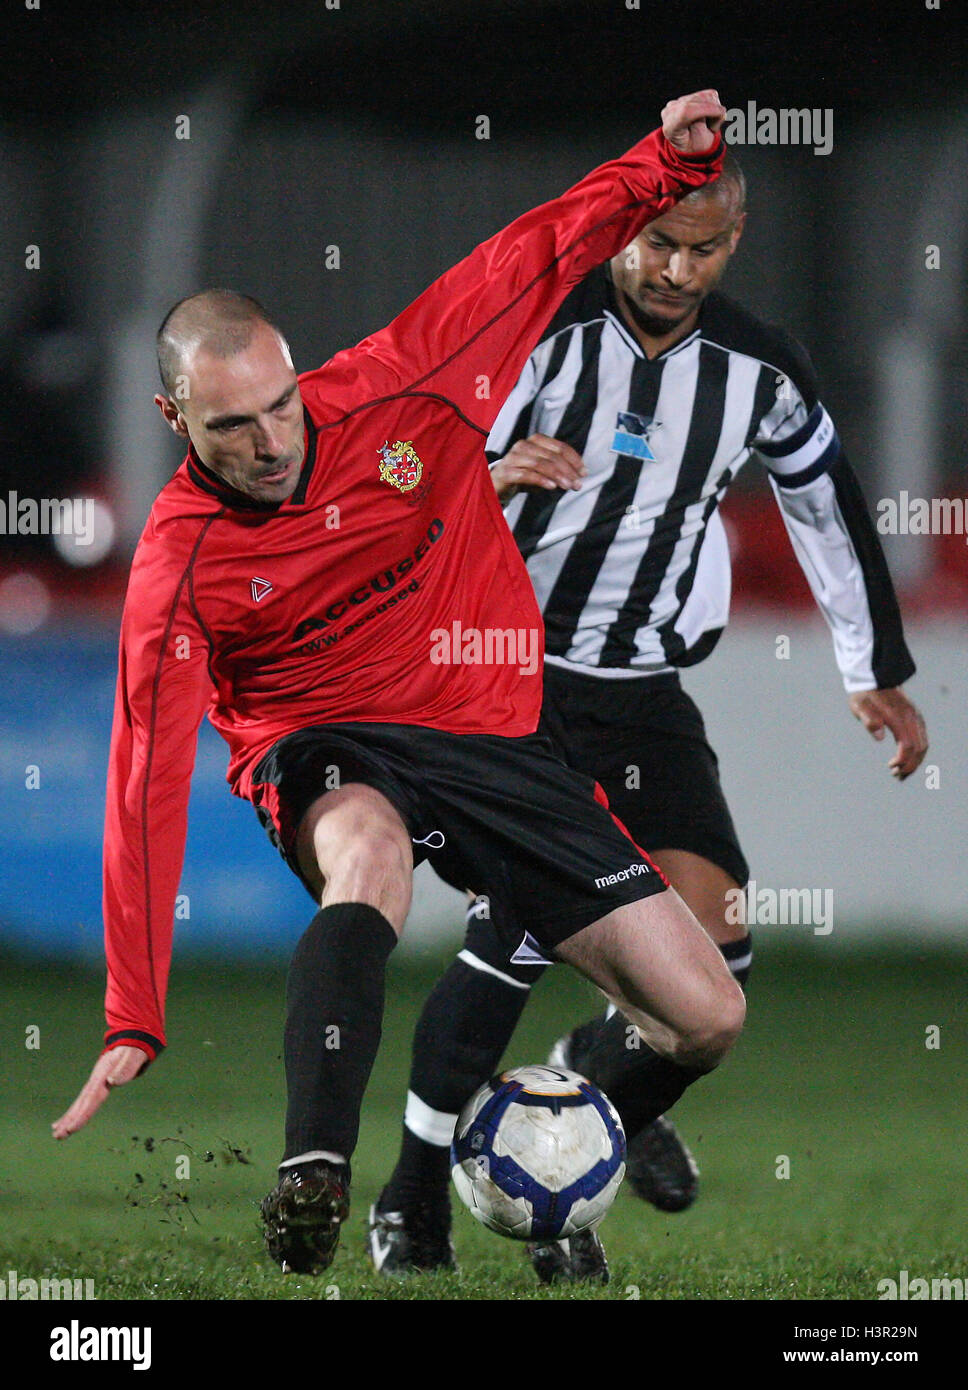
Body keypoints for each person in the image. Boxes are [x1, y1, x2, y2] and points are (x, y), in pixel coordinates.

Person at [51, 92, 748, 1278]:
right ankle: (313, 1171)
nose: (272, 443)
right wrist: (133, 1007)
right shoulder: (178, 561)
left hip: (488, 729)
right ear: (173, 417)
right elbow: (140, 775)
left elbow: (530, 253)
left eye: (280, 405)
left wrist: (657, 164)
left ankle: (557, 1109)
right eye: (231, 427)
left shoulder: (400, 384)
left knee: (704, 1013)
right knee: (367, 855)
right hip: (323, 738)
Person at [369, 153, 929, 1283]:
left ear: (734, 244)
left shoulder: (758, 367)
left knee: (715, 976)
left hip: (642, 696)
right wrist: (479, 467)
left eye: (702, 248)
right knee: (518, 934)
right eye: (656, 242)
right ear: (620, 226)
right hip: (506, 683)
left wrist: (870, 664)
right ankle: (411, 1196)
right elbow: (381, 455)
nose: (674, 268)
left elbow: (820, 499)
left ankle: (583, 1099)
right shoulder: (532, 328)